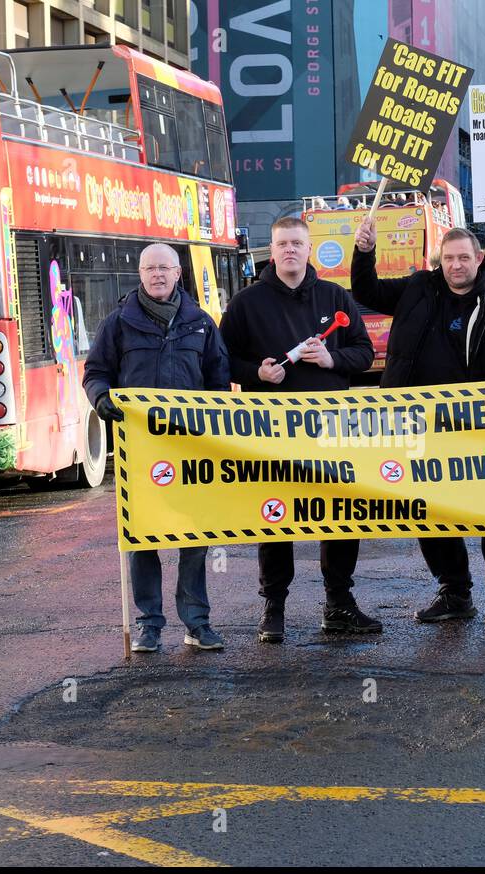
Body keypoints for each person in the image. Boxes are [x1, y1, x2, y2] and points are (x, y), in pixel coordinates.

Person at [351, 217, 485, 628]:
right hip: (414, 427)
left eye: (464, 257)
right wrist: (364, 252)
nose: (456, 265)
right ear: (439, 260)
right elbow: (367, 291)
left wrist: (481, 416)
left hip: (472, 428)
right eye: (449, 258)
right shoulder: (417, 287)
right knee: (428, 510)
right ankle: (454, 593)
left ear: (479, 259)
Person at [219, 216, 380, 643]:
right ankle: (273, 609)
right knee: (275, 517)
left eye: (297, 243)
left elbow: (364, 353)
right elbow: (220, 360)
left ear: (310, 249)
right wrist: (256, 372)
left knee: (341, 517)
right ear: (271, 251)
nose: (290, 250)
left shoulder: (335, 296)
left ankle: (339, 605)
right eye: (282, 244)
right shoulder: (246, 303)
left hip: (331, 431)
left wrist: (332, 361)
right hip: (271, 432)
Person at [83, 243, 230, 654]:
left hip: (192, 450)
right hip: (139, 450)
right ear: (141, 274)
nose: (158, 275)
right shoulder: (118, 324)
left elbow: (219, 382)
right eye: (150, 268)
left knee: (194, 537)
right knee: (143, 536)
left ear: (178, 273)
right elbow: (95, 373)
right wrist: (101, 397)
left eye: (165, 267)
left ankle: (196, 622)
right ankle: (149, 623)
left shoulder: (201, 324)